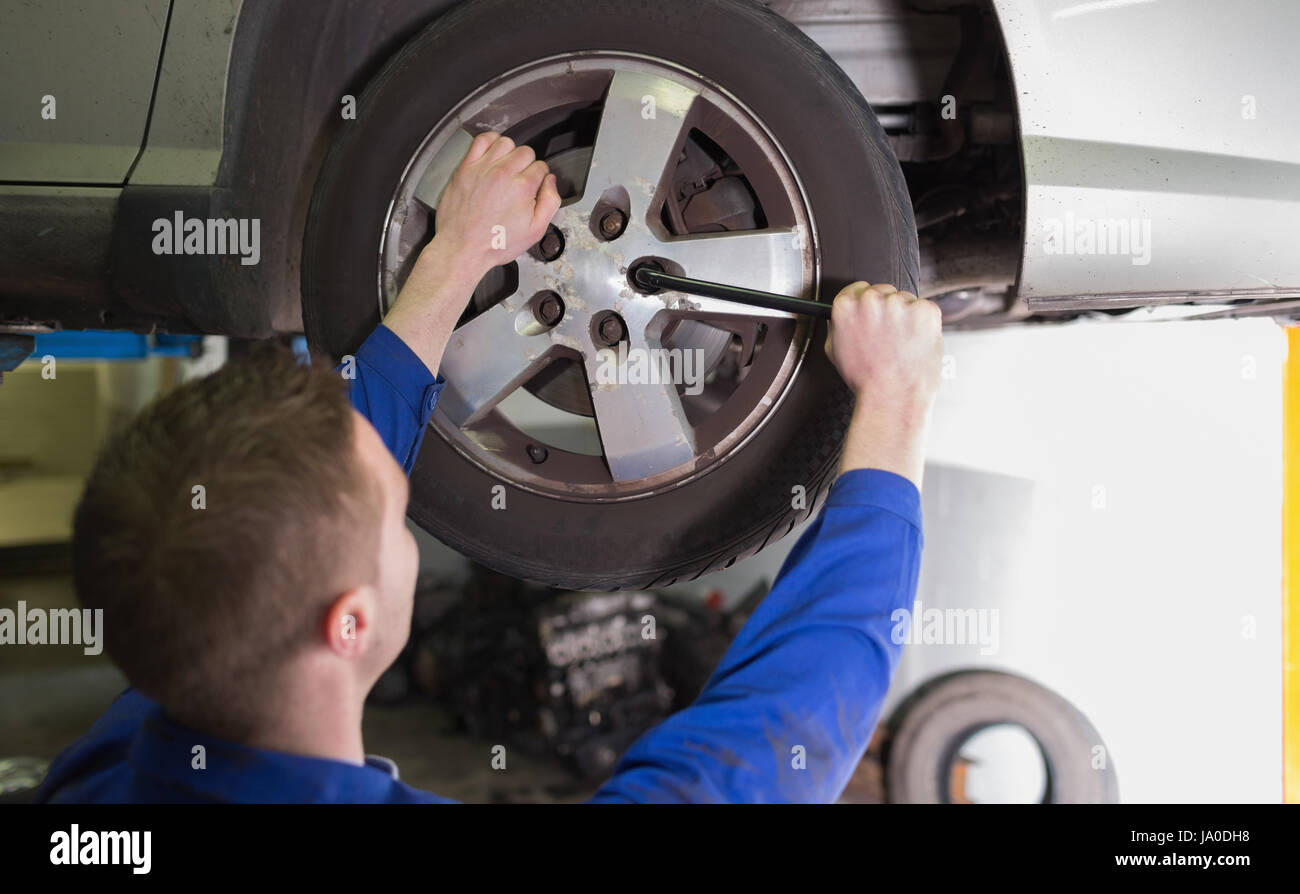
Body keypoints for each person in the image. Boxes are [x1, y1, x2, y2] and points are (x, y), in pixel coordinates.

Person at [35, 131, 943, 803]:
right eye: (392, 509)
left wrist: (456, 257)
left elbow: (314, 475)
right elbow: (762, 754)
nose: (400, 488)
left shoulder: (111, 777)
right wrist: (894, 403)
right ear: (348, 622)